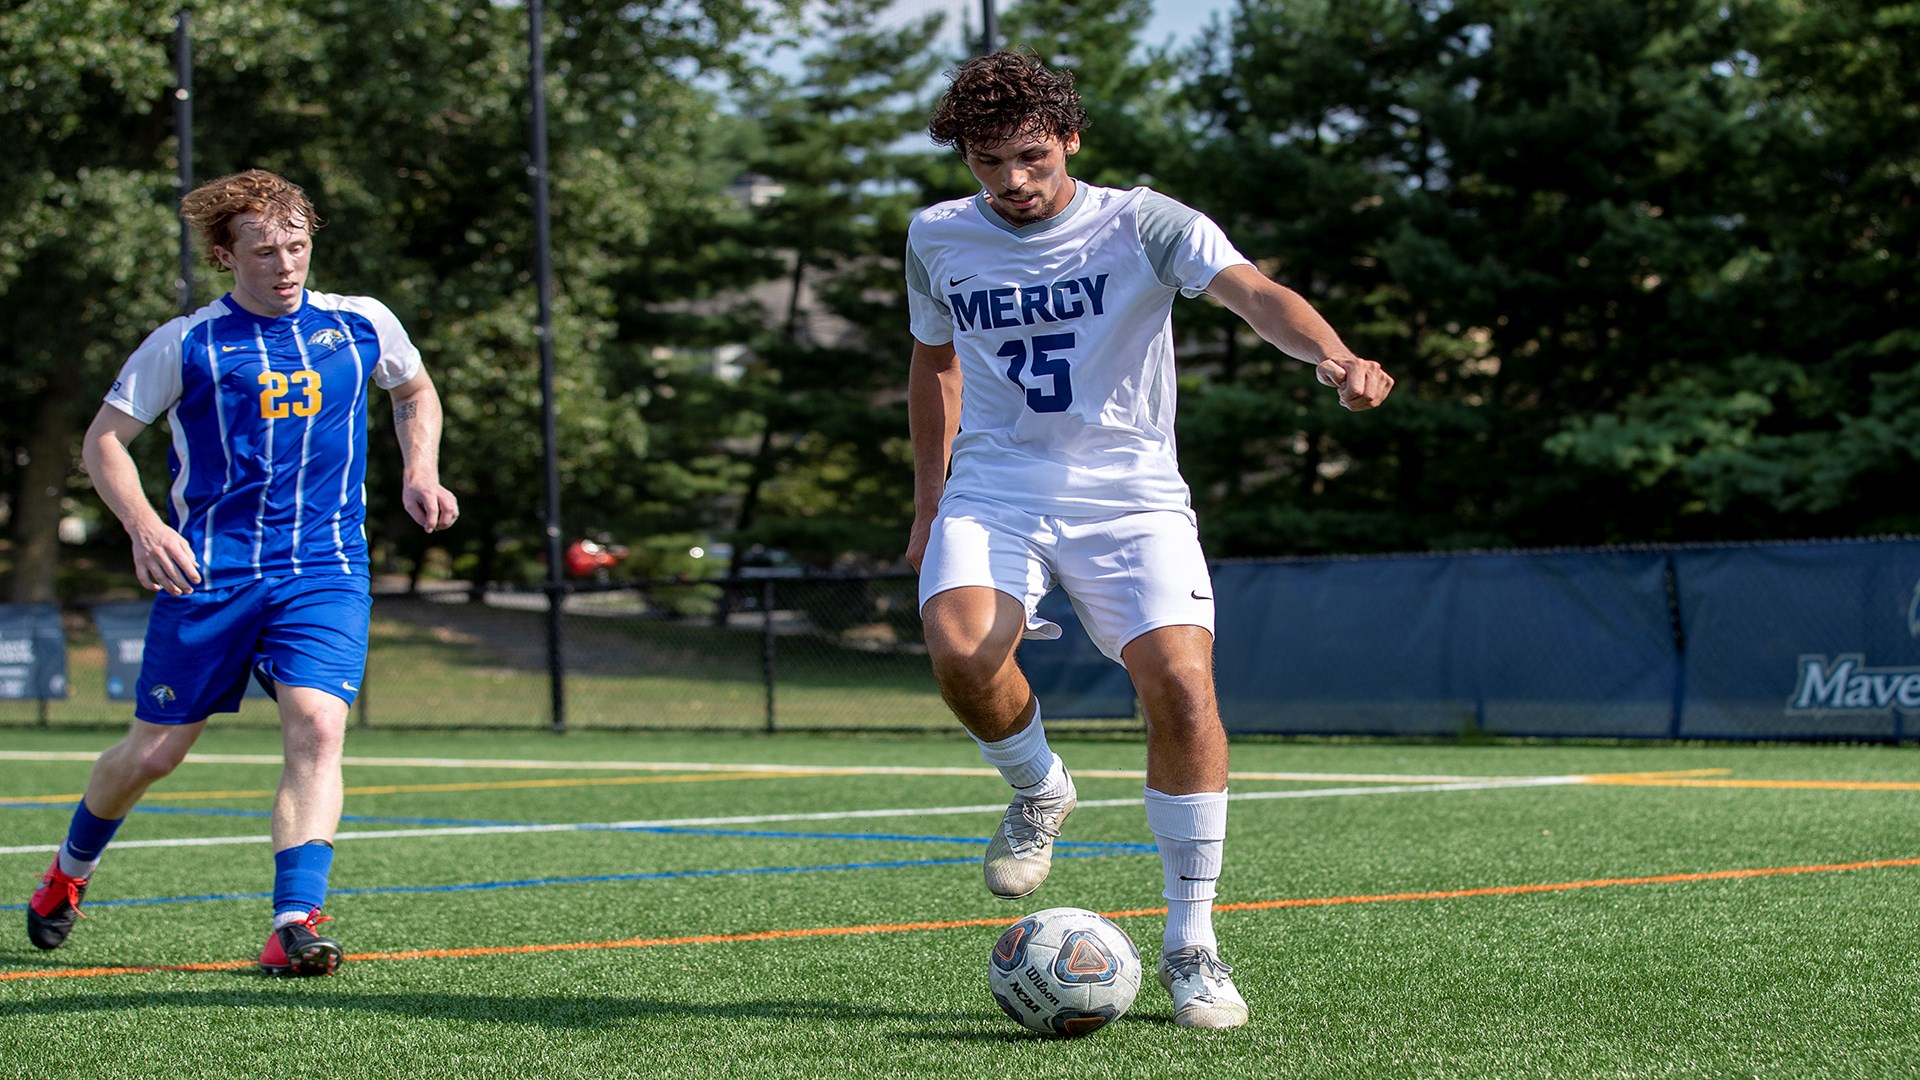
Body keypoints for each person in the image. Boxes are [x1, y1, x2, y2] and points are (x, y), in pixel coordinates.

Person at [903, 52, 1393, 1029]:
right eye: (987, 162)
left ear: (1071, 140)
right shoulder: (935, 237)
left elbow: (1256, 294)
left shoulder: (1146, 221)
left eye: (1032, 157)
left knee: (1179, 685)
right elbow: (935, 364)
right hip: (997, 487)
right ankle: (1039, 789)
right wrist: (928, 503)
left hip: (1132, 498)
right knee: (962, 652)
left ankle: (1192, 945)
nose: (1012, 181)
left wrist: (1333, 354)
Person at [25, 169, 458, 976]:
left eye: (297, 246)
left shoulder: (360, 324)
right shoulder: (186, 342)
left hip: (325, 567)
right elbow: (103, 441)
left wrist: (419, 473)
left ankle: (294, 921)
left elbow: (415, 391)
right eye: (265, 250)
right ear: (227, 255)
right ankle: (69, 872)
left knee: (319, 727)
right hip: (211, 574)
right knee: (154, 754)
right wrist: (146, 525)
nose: (287, 264)